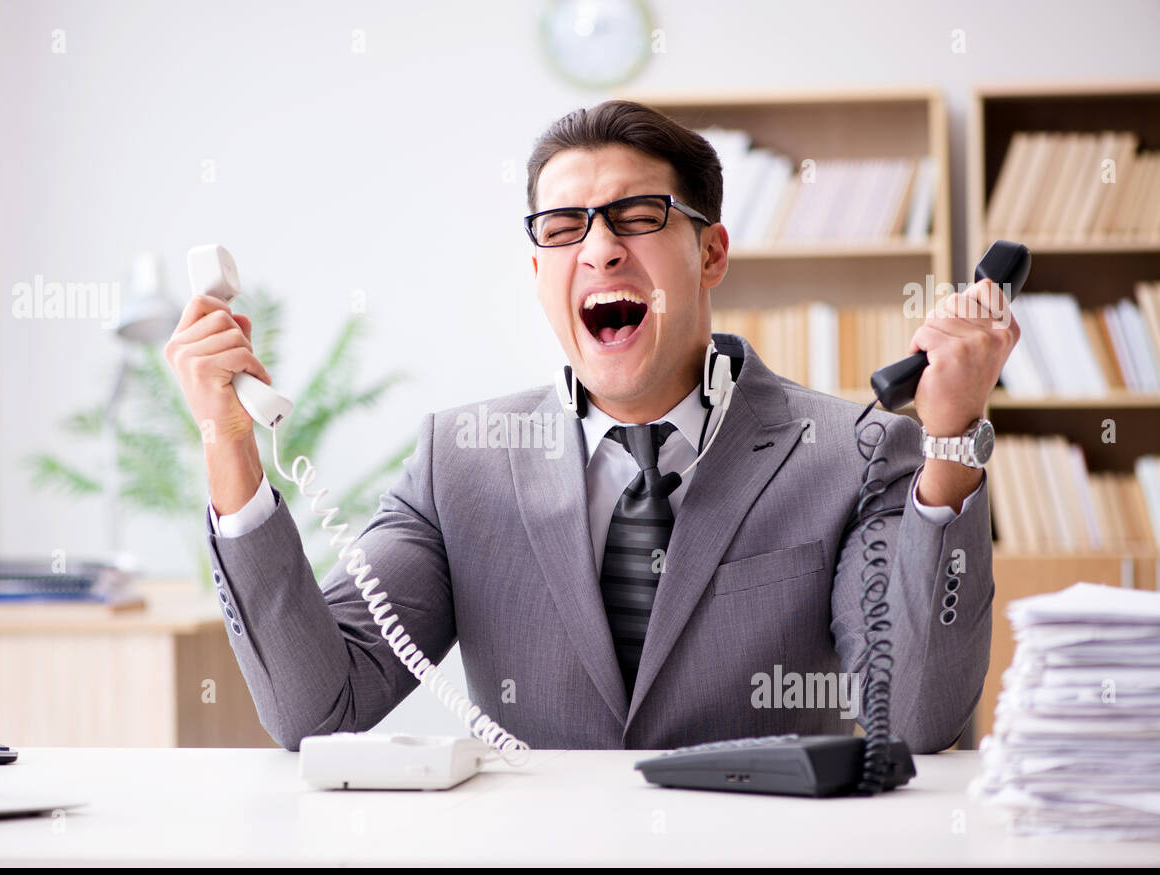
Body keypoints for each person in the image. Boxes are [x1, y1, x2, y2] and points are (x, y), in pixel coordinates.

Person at [164, 100, 1019, 753]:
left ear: (711, 253)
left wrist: (950, 443)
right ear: (539, 270)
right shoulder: (457, 466)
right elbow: (322, 709)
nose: (599, 250)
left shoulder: (859, 449)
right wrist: (228, 442)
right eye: (564, 228)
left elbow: (915, 720)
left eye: (638, 216)